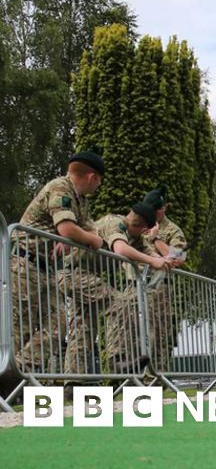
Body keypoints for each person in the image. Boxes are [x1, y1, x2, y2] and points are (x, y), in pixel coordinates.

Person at [10, 147, 105, 373]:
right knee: (17, 328)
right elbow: (67, 228)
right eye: (99, 181)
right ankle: (7, 376)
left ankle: (12, 375)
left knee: (58, 324)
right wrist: (77, 237)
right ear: (92, 176)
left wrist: (78, 236)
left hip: (46, 270)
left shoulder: (79, 201)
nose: (98, 186)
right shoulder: (60, 187)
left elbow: (91, 232)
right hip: (24, 265)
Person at [79, 202, 167, 374]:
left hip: (88, 275)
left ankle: (72, 384)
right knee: (118, 302)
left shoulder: (136, 234)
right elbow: (120, 248)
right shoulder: (115, 223)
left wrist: (163, 259)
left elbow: (157, 254)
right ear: (141, 227)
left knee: (82, 329)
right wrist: (153, 259)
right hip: (74, 272)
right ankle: (116, 360)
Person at [140, 184, 187, 371]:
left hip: (158, 287)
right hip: (134, 285)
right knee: (133, 335)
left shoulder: (173, 231)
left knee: (157, 335)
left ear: (162, 209)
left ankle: (154, 380)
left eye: (154, 211)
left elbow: (177, 258)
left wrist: (156, 239)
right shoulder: (139, 224)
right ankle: (134, 381)